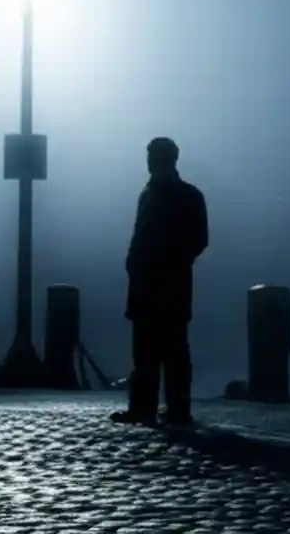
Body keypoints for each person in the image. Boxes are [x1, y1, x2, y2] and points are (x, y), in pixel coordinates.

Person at [110, 137, 208, 426]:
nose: (151, 161)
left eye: (155, 155)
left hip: (167, 282)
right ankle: (151, 407)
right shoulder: (154, 194)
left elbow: (198, 239)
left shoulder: (184, 195)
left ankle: (171, 409)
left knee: (170, 348)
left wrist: (168, 260)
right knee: (147, 350)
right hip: (150, 282)